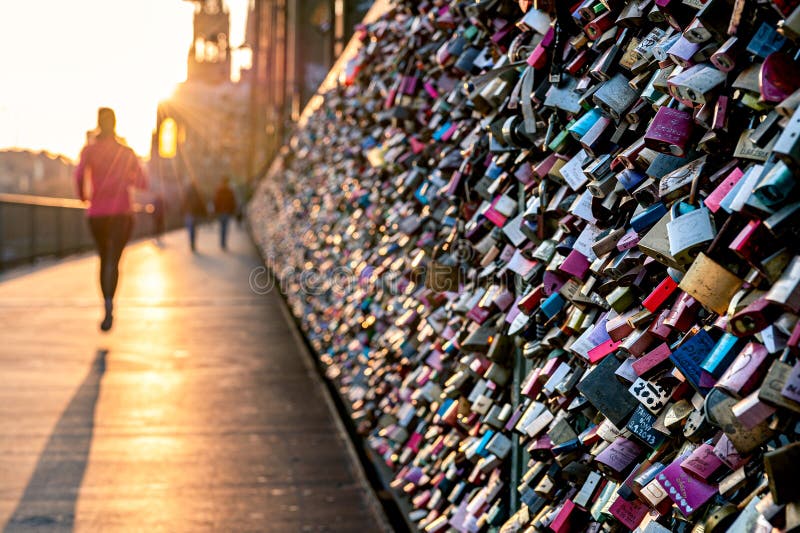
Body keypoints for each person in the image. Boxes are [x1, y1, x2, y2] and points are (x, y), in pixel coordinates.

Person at [75, 107, 147, 331]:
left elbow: (78, 175)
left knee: (104, 258)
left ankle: (105, 305)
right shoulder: (125, 152)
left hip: (97, 213)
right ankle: (110, 304)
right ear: (115, 123)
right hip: (122, 213)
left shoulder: (89, 150)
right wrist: (128, 177)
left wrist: (84, 198)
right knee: (113, 261)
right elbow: (142, 182)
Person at [182, 179, 207, 252]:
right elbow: (201, 203)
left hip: (189, 212)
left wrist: (182, 210)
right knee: (195, 228)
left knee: (190, 228)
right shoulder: (198, 192)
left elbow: (184, 202)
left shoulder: (187, 192)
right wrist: (204, 212)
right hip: (196, 213)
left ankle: (191, 242)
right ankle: (193, 242)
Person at [213, 176, 237, 249]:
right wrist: (233, 210)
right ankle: (223, 243)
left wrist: (216, 210)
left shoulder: (219, 190)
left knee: (222, 227)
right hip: (227, 211)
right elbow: (233, 202)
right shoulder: (230, 191)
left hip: (221, 211)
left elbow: (215, 201)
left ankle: (222, 242)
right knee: (225, 228)